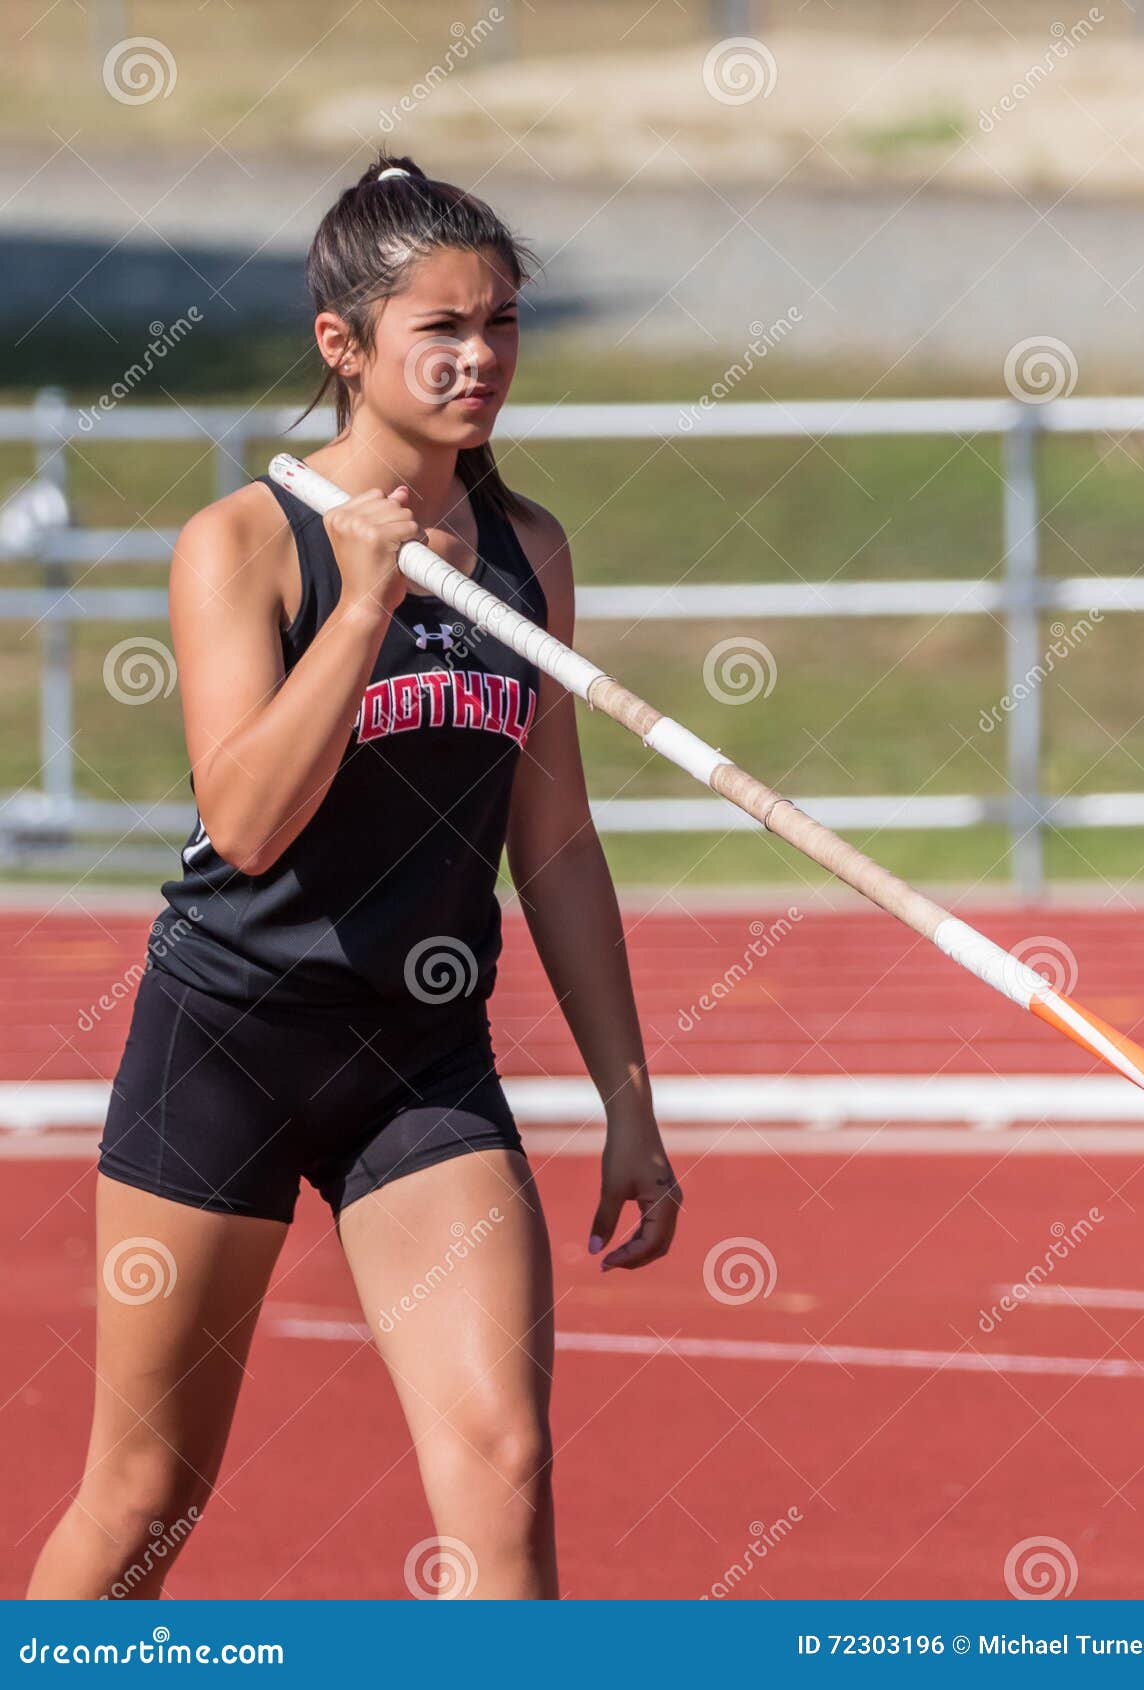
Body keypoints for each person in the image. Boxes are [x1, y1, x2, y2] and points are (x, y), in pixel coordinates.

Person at [28, 156, 681, 1602]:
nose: (479, 357)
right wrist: (365, 602)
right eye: (440, 328)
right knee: (144, 1496)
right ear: (343, 343)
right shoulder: (242, 544)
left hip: (419, 1064)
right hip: (227, 1050)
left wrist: (628, 1101)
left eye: (501, 322)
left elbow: (556, 845)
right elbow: (248, 822)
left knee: (504, 1468)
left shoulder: (526, 553)